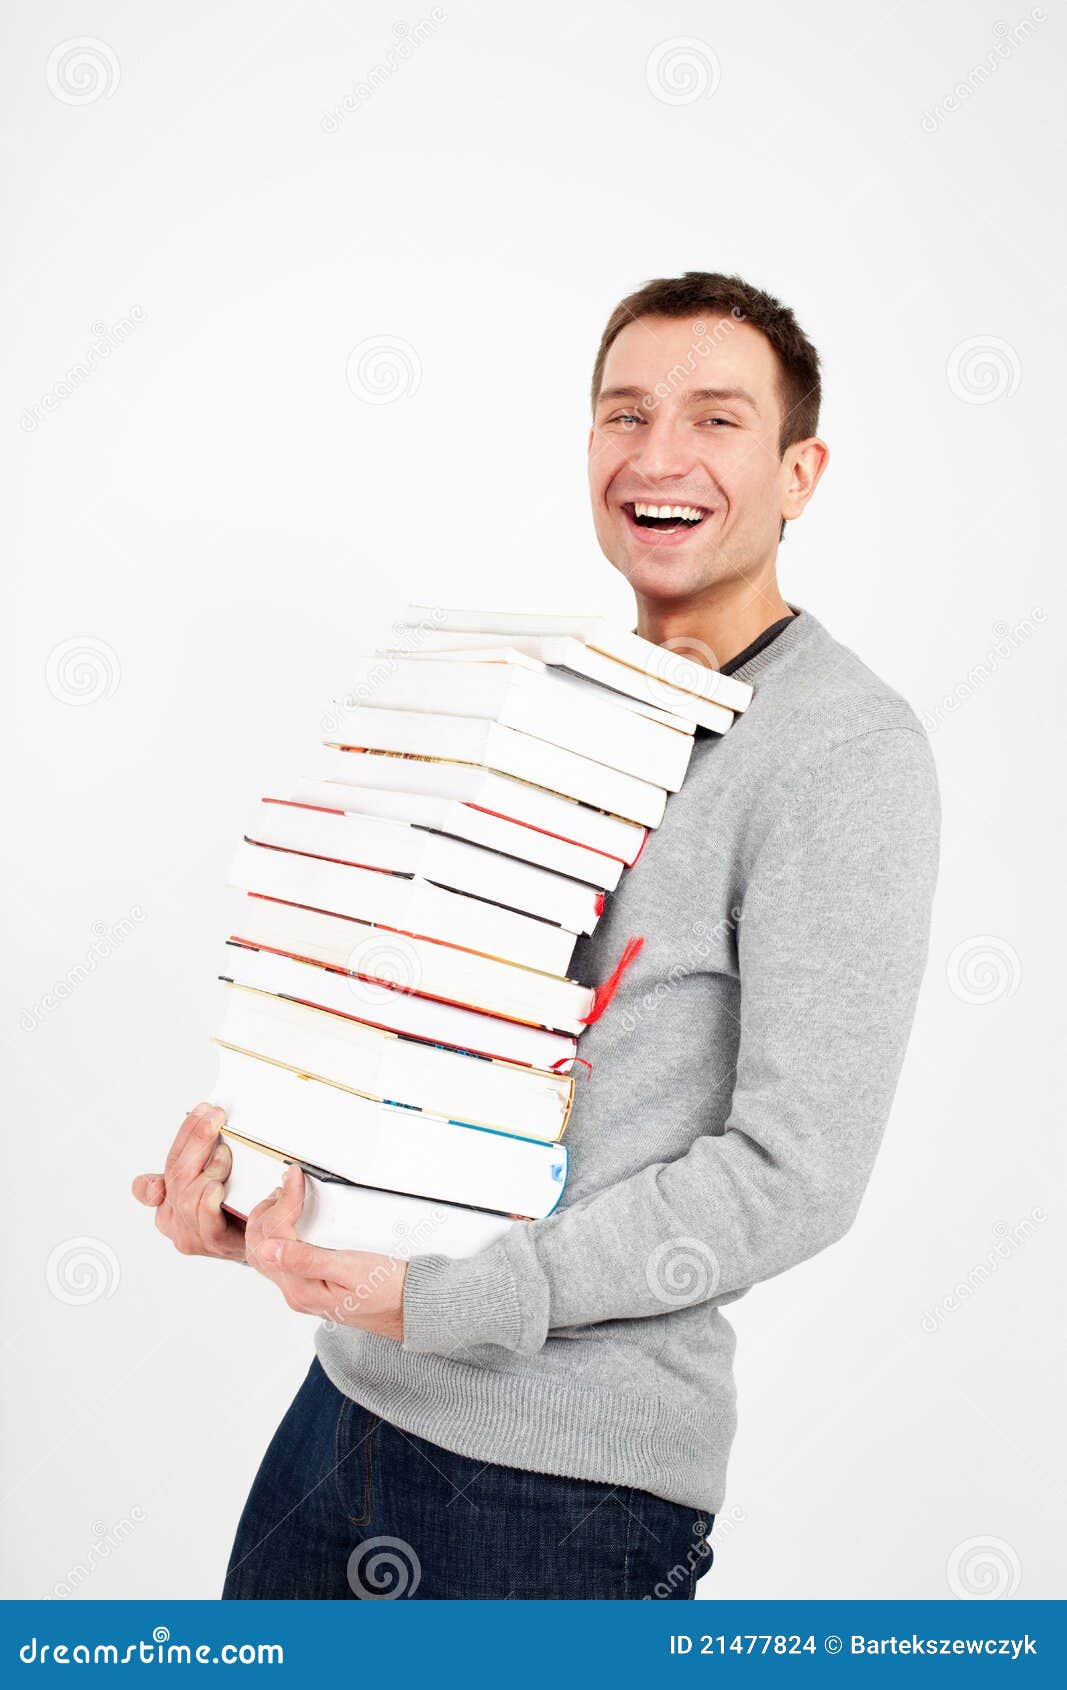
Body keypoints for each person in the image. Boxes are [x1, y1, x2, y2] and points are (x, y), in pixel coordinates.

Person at [133, 272, 940, 1600]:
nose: (659, 454)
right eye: (625, 413)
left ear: (800, 473)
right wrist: (273, 1189)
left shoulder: (844, 751)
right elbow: (438, 1038)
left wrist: (448, 1301)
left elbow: (794, 1174)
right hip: (346, 1407)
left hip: (561, 1490)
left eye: (716, 418)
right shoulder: (564, 706)